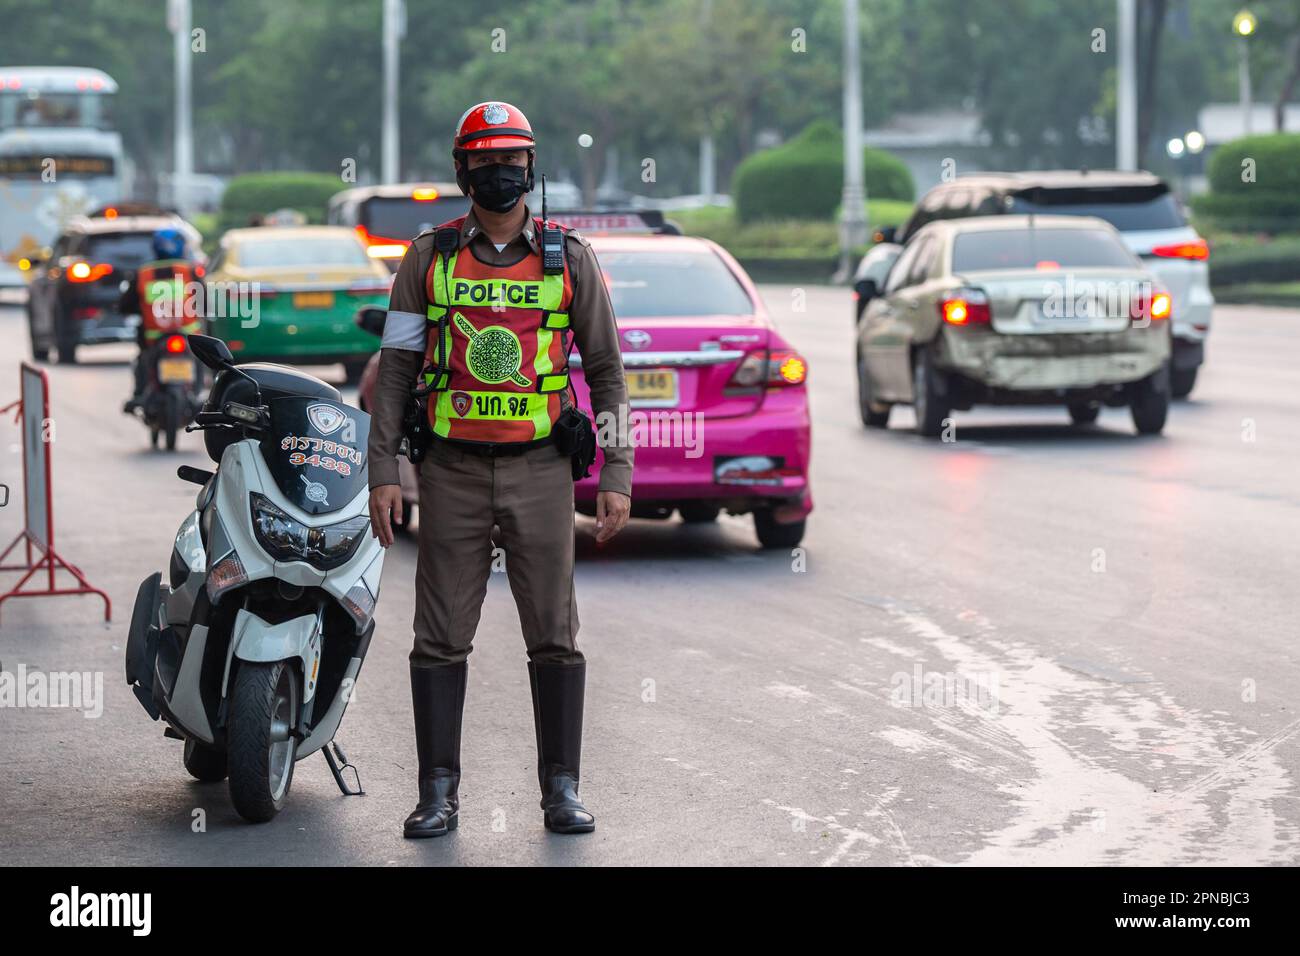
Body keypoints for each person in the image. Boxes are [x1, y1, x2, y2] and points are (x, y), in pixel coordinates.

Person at [367, 101, 633, 838]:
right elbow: (395, 372)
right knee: (439, 637)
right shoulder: (427, 257)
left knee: (554, 633)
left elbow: (607, 372)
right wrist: (381, 469)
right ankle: (437, 794)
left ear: (531, 167)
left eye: (511, 161)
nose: (499, 174)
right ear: (462, 171)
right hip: (448, 472)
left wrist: (617, 472)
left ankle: (561, 791)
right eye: (485, 162)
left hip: (542, 471)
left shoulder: (569, 258)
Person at [121, 227, 202, 411]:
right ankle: (197, 393)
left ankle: (140, 393)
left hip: (153, 338)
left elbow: (125, 304)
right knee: (199, 358)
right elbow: (204, 300)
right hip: (188, 336)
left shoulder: (143, 273)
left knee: (142, 362)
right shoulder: (189, 271)